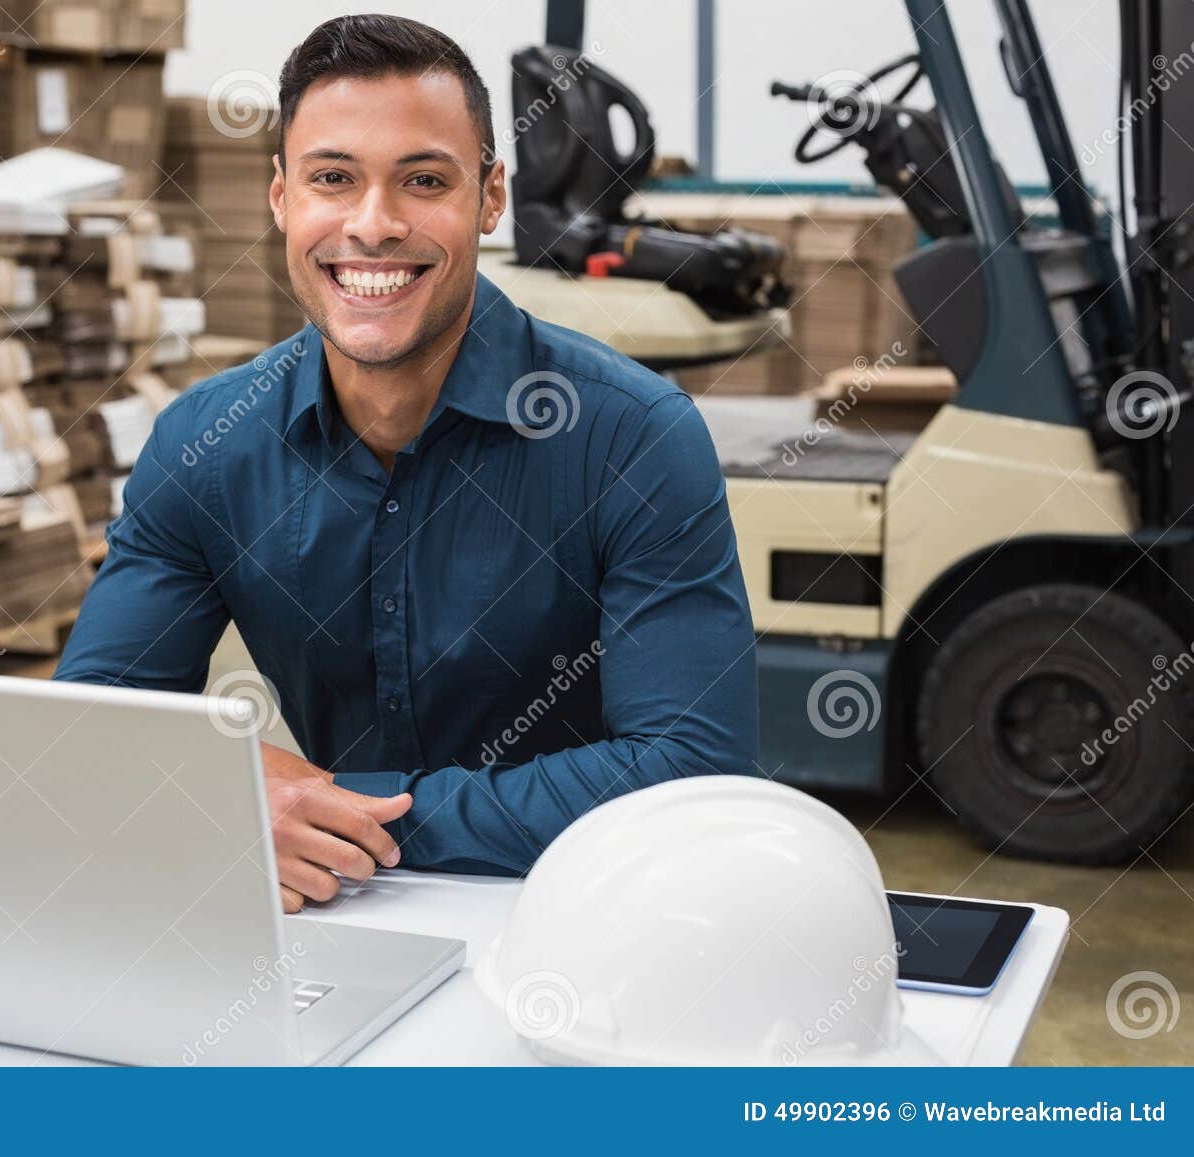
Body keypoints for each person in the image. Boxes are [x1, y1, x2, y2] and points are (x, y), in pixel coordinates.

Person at [55, 13, 758, 909]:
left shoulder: (633, 438)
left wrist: (333, 811)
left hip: (587, 914)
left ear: (490, 198)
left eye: (423, 180)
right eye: (332, 179)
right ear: (281, 198)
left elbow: (689, 772)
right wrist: (220, 790)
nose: (373, 225)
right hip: (326, 918)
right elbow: (89, 732)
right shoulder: (206, 445)